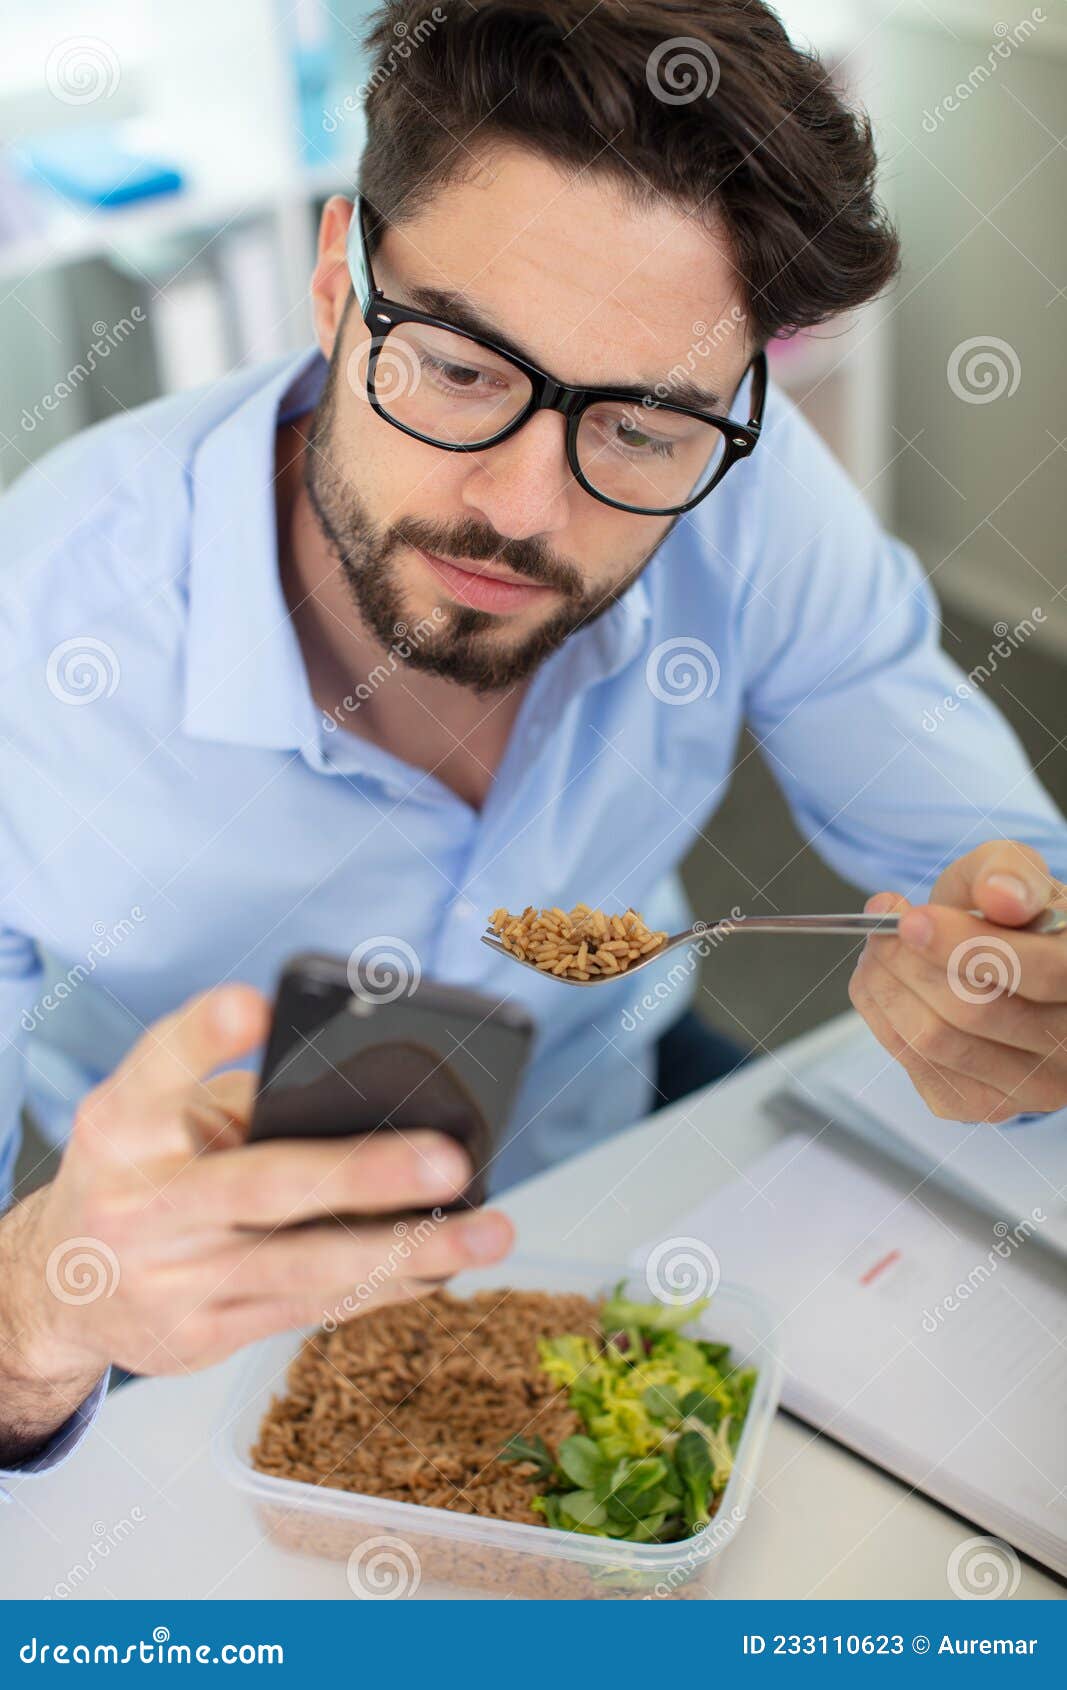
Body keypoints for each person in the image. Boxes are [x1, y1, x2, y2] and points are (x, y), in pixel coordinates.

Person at [2, 0, 1064, 1480]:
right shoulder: (36, 642)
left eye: (639, 428)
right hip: (213, 1287)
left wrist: (1026, 991)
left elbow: (1001, 881)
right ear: (334, 282)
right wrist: (34, 1314)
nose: (522, 510)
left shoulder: (746, 496)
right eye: (457, 365)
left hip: (615, 1116)